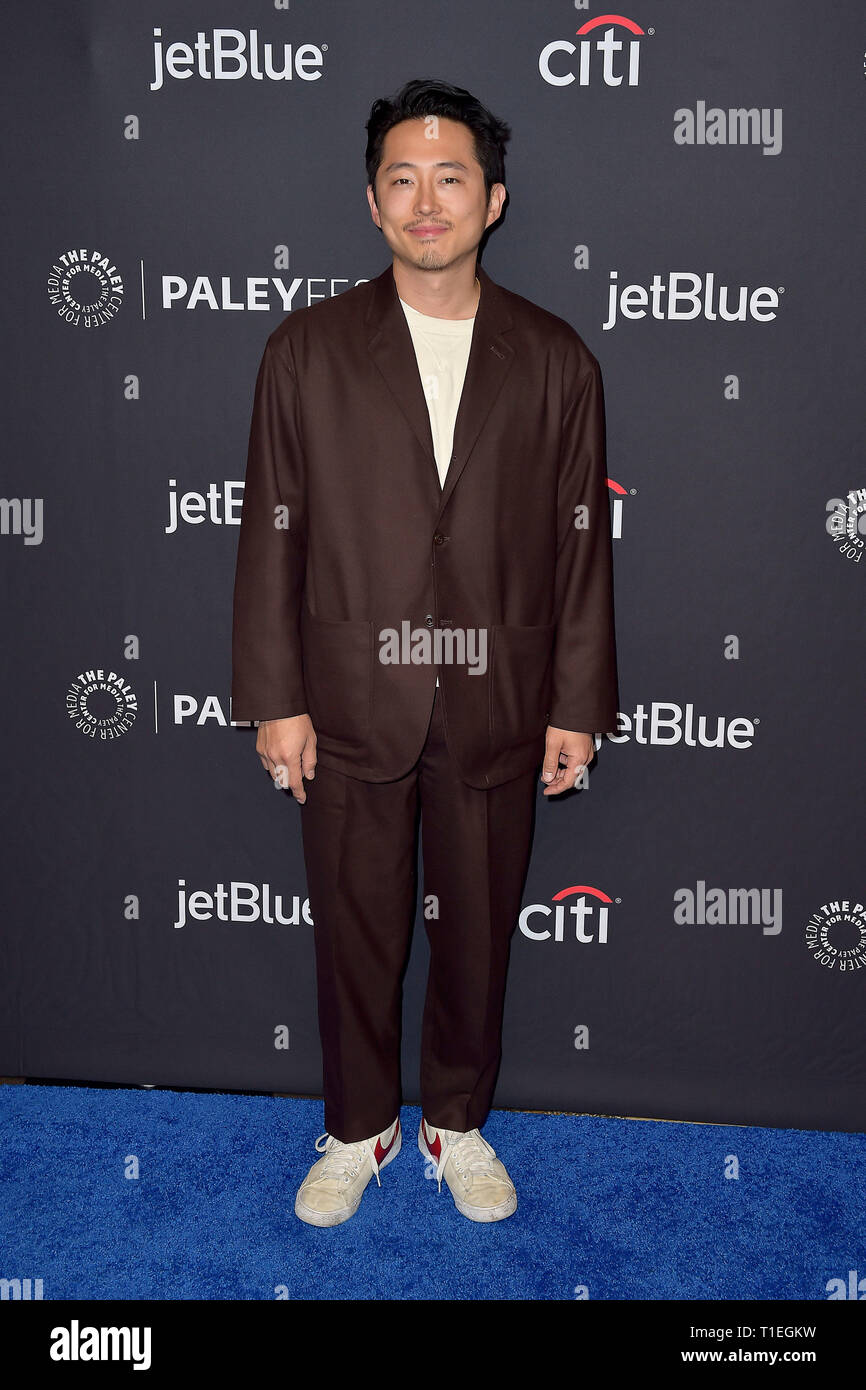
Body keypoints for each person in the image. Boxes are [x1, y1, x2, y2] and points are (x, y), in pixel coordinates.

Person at [231, 78, 619, 1227]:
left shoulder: (555, 359)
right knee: (353, 929)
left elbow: (580, 550)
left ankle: (455, 1120)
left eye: (450, 177)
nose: (426, 198)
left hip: (499, 695)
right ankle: (357, 1126)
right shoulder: (305, 351)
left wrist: (576, 702)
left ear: (492, 199)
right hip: (349, 694)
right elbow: (268, 533)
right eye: (402, 177)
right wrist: (273, 697)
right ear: (372, 202)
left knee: (478, 929)